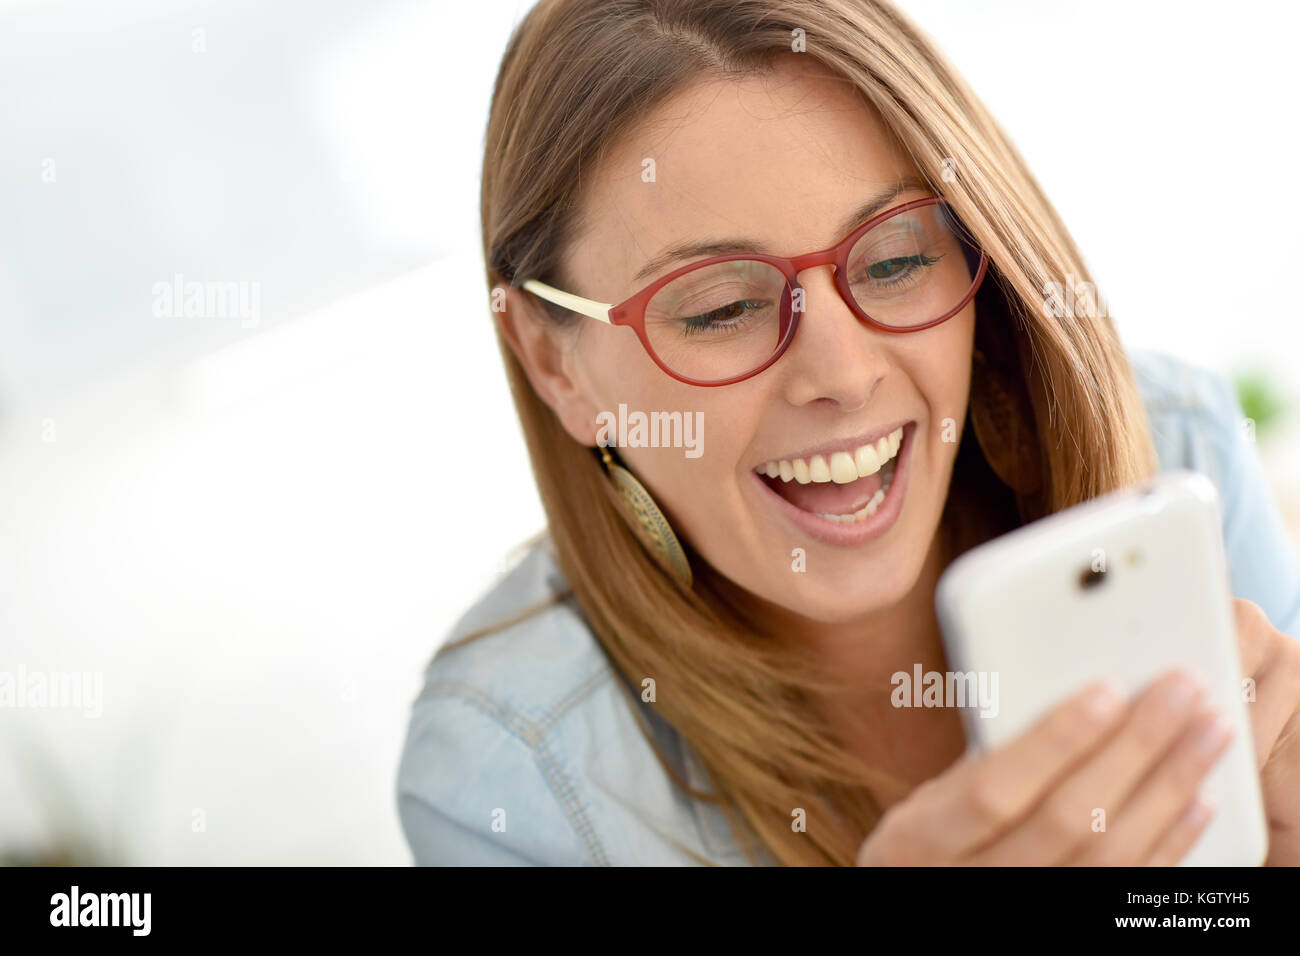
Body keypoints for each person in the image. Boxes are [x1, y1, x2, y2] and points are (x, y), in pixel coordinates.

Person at [398, 0, 1300, 865]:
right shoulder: (504, 775)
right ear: (554, 364)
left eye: (898, 257)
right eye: (722, 308)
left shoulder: (1181, 460)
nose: (843, 373)